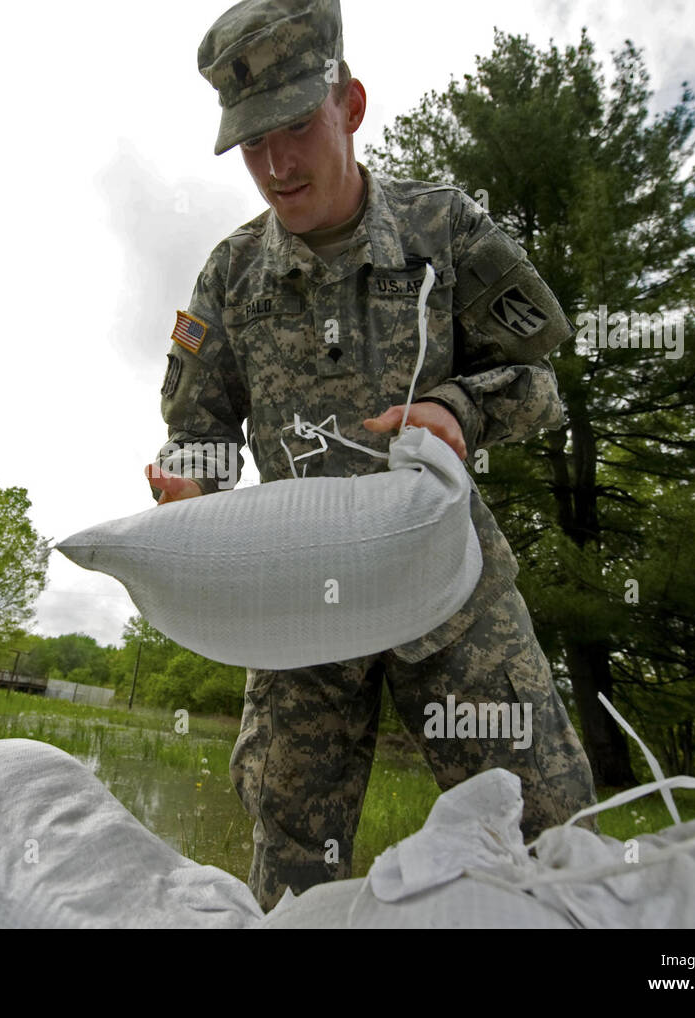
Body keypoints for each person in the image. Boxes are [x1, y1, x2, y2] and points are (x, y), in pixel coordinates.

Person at [143, 0, 598, 912]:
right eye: (249, 142)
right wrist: (194, 486)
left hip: (449, 583)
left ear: (349, 105)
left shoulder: (443, 230)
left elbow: (541, 380)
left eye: (294, 127)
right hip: (302, 609)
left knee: (551, 834)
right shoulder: (230, 276)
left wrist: (460, 407)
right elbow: (197, 433)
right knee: (292, 859)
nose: (274, 164)